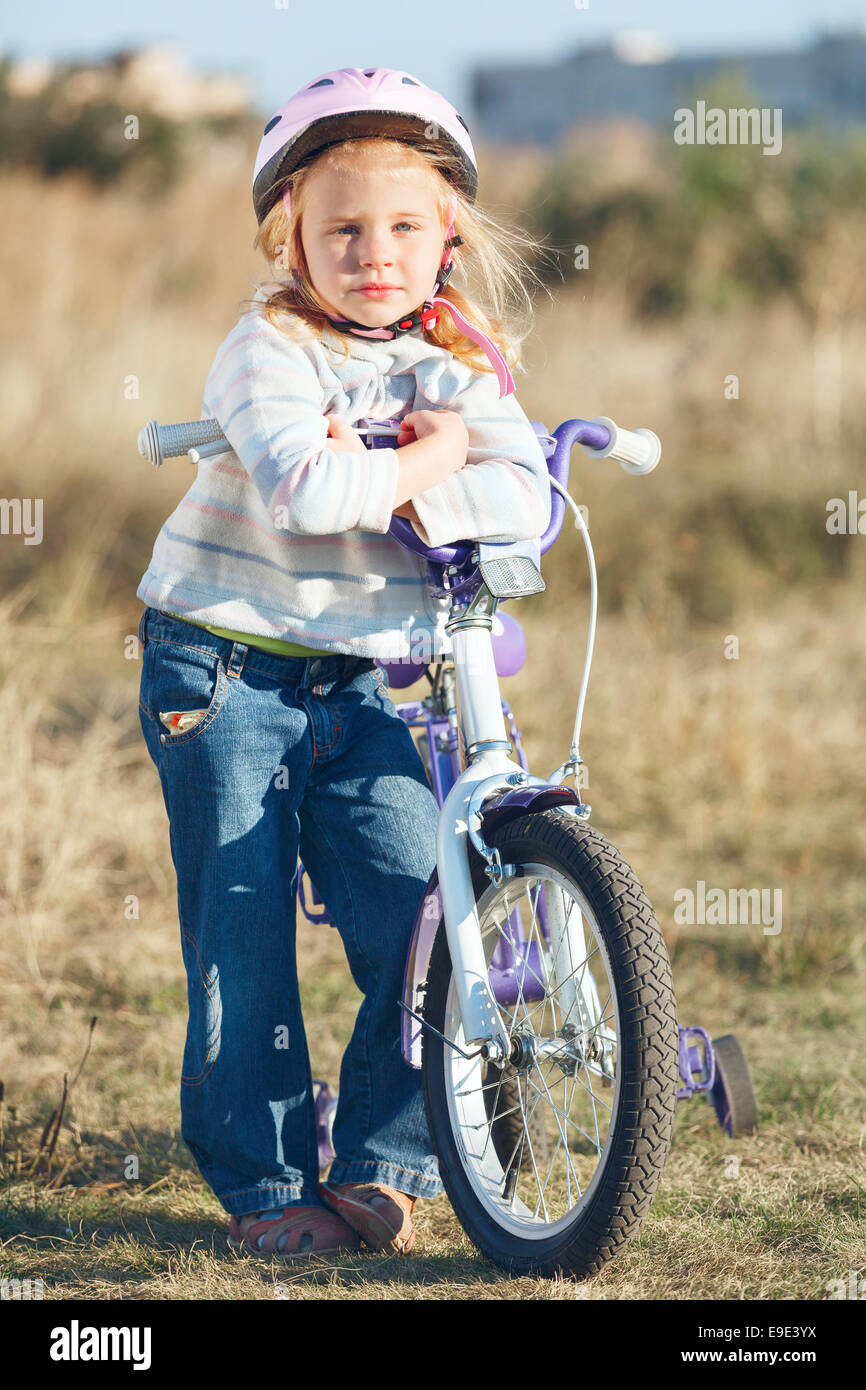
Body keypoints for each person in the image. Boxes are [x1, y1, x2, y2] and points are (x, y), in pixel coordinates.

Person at [135, 65, 552, 1261]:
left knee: (424, 901)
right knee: (243, 929)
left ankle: (382, 1156)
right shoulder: (265, 349)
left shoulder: (457, 358)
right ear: (291, 239)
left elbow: (523, 504)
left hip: (354, 679)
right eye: (344, 230)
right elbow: (312, 495)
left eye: (404, 227)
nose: (376, 253)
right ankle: (265, 1184)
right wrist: (434, 460)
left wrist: (421, 462)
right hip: (222, 670)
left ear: (447, 238)